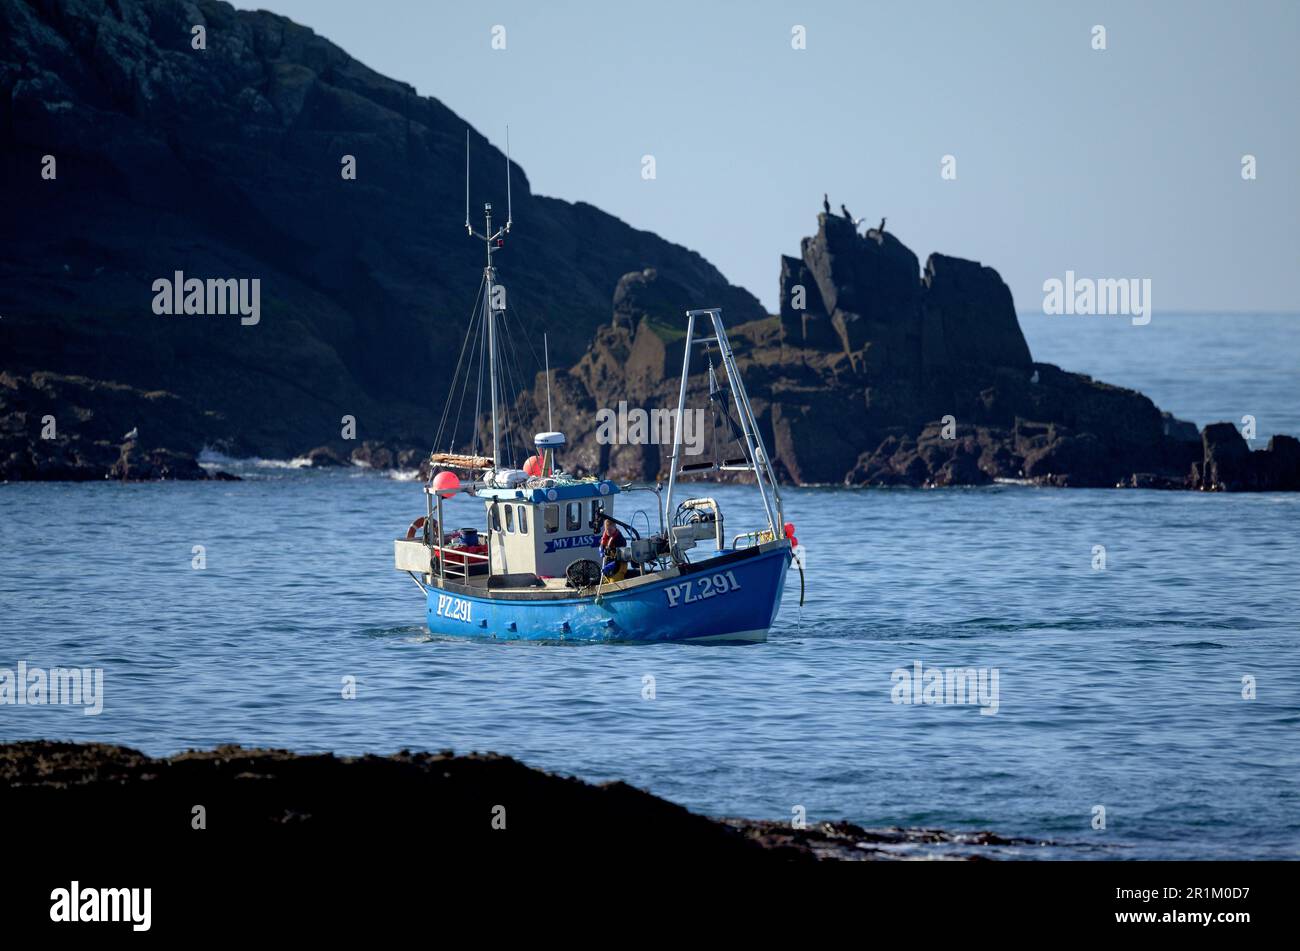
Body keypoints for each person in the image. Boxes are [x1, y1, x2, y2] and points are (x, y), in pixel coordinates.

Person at [599, 517, 627, 582]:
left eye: (610, 530)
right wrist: (601, 550)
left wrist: (609, 566)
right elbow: (602, 545)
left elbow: (619, 559)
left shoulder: (620, 540)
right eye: (607, 530)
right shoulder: (607, 536)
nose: (609, 532)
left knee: (615, 584)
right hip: (608, 567)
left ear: (615, 527)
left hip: (618, 567)